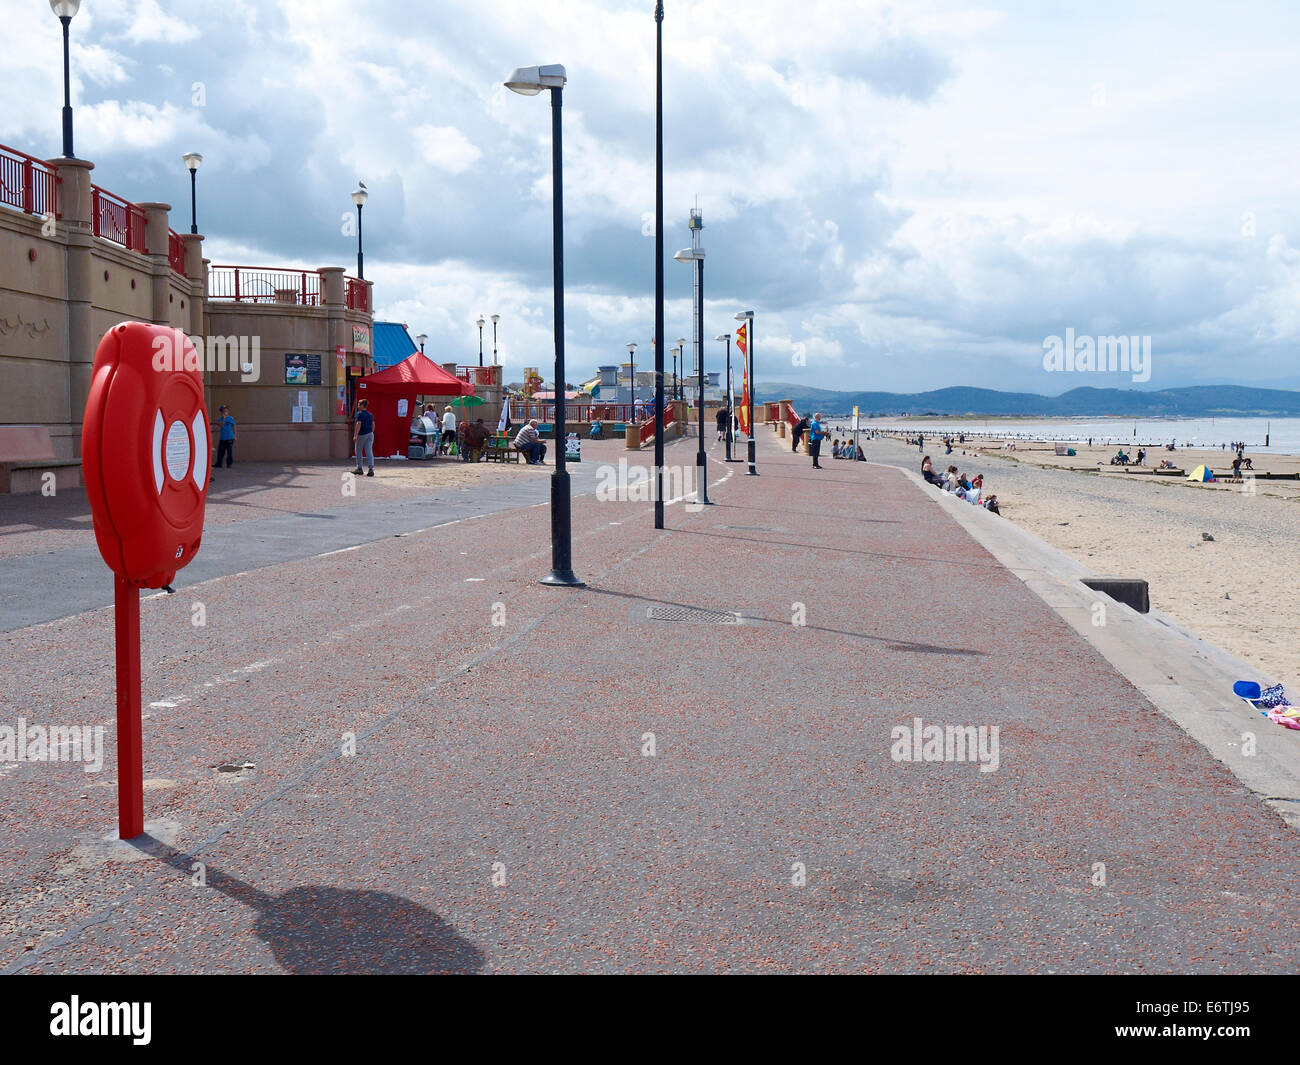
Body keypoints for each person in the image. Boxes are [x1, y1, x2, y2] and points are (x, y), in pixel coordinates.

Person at [352, 399, 375, 477]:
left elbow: (358, 424)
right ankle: (371, 469)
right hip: (370, 434)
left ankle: (359, 468)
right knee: (369, 451)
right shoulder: (370, 414)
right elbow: (373, 424)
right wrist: (371, 432)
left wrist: (355, 435)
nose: (358, 406)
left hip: (362, 434)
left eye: (359, 404)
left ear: (362, 405)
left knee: (358, 450)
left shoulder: (359, 414)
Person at [215, 405, 236, 470]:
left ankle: (229, 464)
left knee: (229, 451)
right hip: (222, 438)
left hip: (230, 437)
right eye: (224, 411)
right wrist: (223, 419)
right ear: (221, 412)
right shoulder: (219, 419)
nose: (226, 412)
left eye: (227, 411)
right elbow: (220, 425)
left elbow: (234, 426)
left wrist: (235, 435)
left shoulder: (230, 418)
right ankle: (219, 463)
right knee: (221, 451)